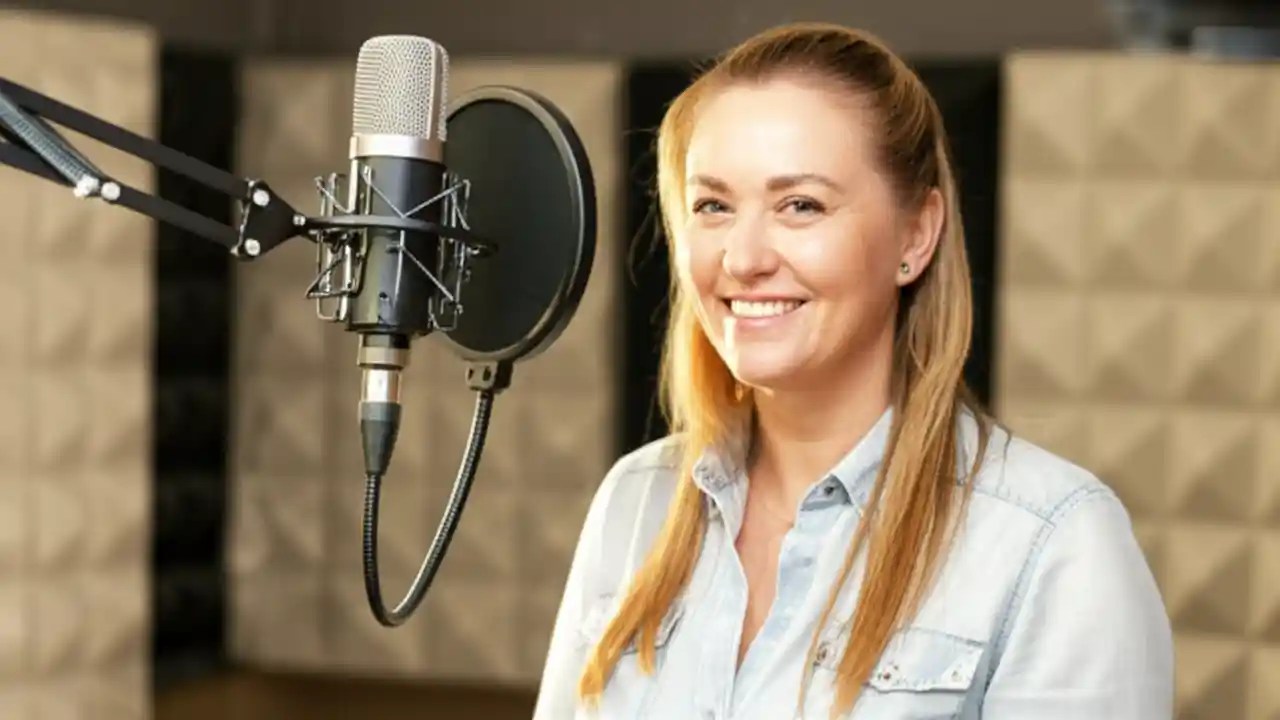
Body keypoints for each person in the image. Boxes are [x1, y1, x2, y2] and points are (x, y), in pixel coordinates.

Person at [532, 21, 1174, 720]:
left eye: (800, 205)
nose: (743, 258)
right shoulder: (634, 504)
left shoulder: (1054, 544)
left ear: (916, 234)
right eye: (713, 206)